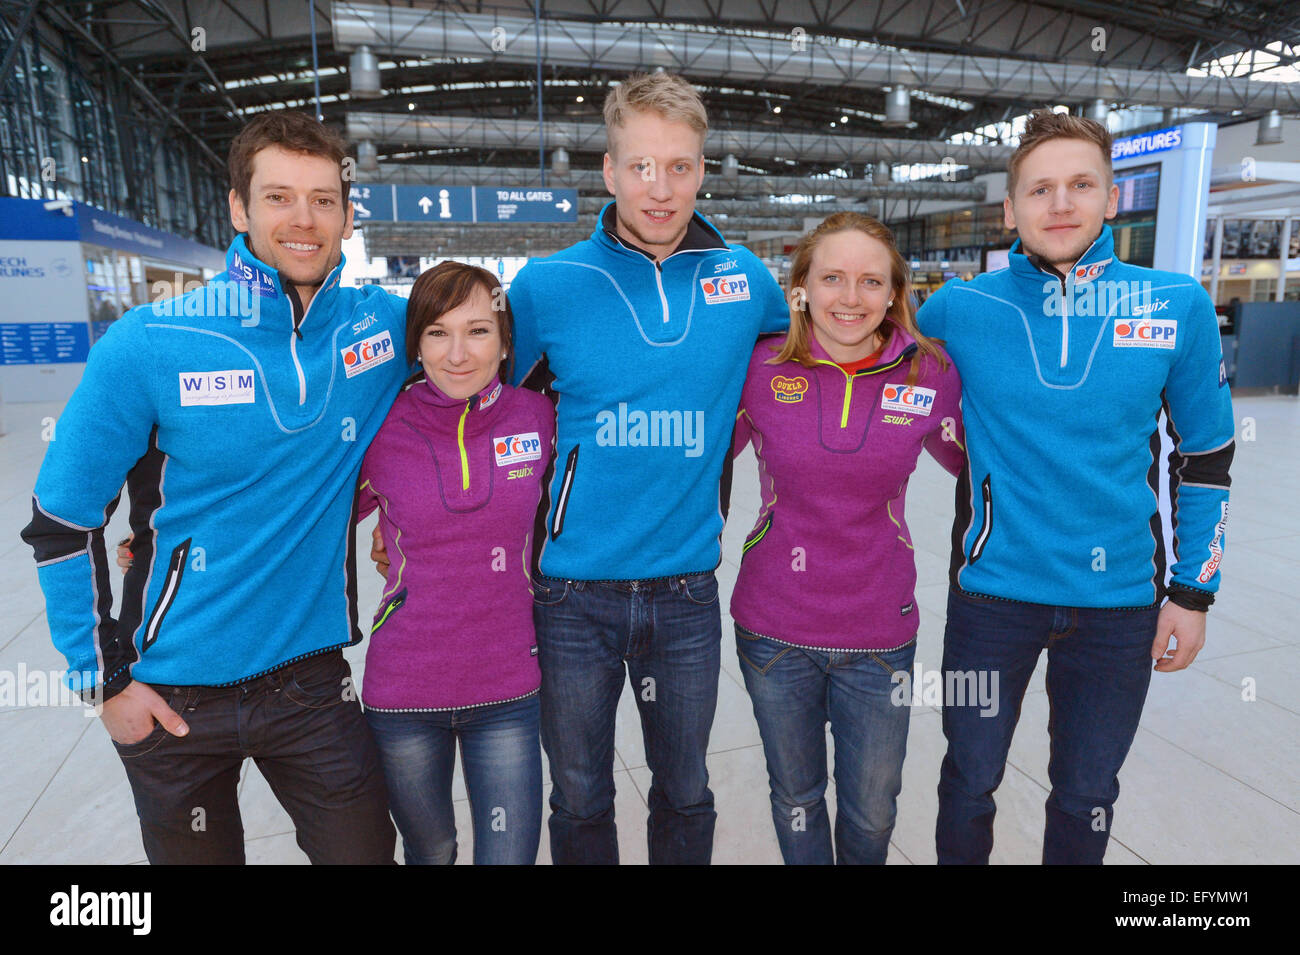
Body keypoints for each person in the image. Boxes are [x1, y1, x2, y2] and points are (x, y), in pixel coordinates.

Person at [22, 112, 412, 864]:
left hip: (310, 685)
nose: (304, 219)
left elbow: (489, 345)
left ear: (348, 214)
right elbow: (60, 521)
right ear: (237, 208)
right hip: (173, 699)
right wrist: (102, 682)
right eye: (278, 197)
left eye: (324, 199)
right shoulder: (149, 341)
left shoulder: (387, 330)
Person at [917, 108, 1235, 864]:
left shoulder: (1175, 305)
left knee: (1088, 794)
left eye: (1080, 185)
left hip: (1120, 604)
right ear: (1010, 209)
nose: (1060, 204)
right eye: (1040, 189)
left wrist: (1193, 592)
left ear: (1111, 199)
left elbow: (1208, 458)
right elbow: (886, 381)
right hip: (992, 595)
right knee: (968, 780)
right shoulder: (961, 307)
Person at [500, 73, 789, 865]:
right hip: (570, 594)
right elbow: (485, 407)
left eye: (680, 166)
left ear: (702, 169)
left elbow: (815, 360)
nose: (660, 189)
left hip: (688, 590)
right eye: (640, 166)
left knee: (686, 787)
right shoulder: (548, 288)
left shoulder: (746, 282)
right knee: (581, 791)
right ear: (608, 169)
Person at [730, 212, 963, 864]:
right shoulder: (759, 368)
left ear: (894, 293)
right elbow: (695, 461)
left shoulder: (929, 374)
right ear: (801, 287)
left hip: (879, 632)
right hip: (774, 629)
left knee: (872, 804)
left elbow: (990, 463)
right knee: (797, 795)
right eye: (832, 278)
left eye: (870, 281)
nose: (851, 298)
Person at [357, 262, 554, 864]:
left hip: (509, 687)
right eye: (438, 333)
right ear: (415, 342)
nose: (458, 354)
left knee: (509, 856)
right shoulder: (378, 426)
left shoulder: (539, 417)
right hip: (403, 692)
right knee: (431, 851)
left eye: (478, 331)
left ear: (505, 342)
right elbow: (300, 514)